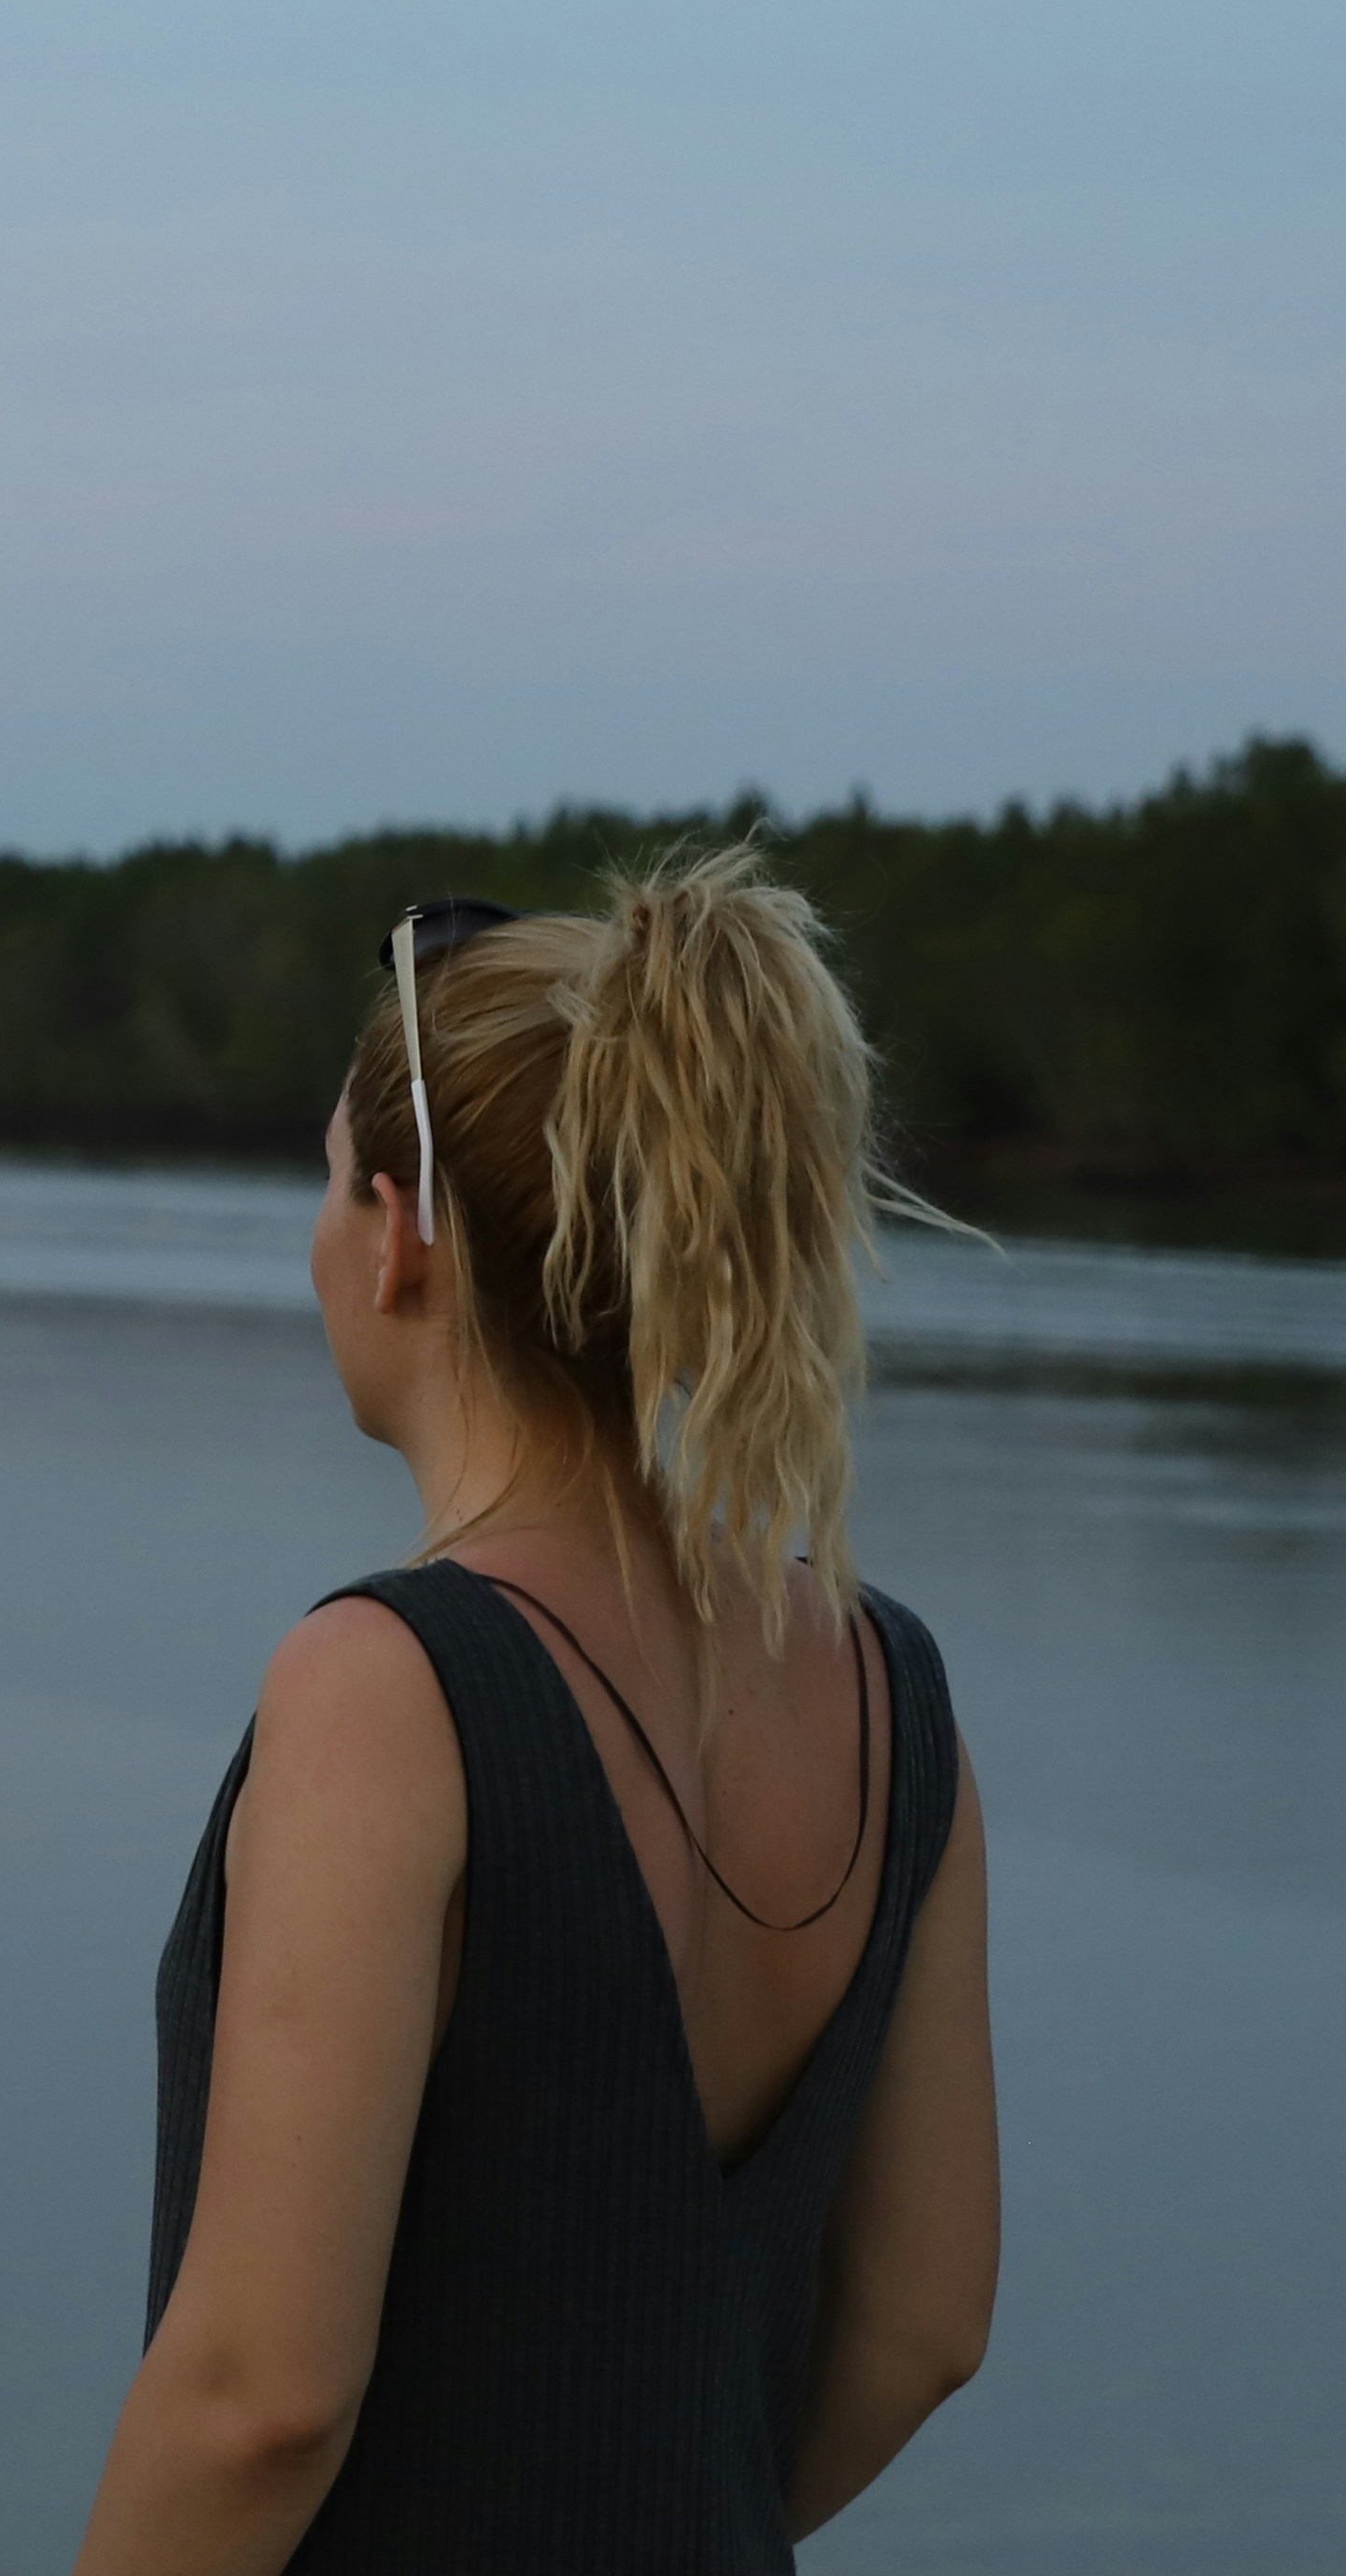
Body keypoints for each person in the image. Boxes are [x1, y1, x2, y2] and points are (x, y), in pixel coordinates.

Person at [67, 849, 996, 2574]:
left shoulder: (388, 1688)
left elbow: (260, 2395)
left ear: (405, 1237)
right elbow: (924, 2323)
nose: (325, 1234)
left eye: (336, 1181)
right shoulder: (893, 1690)